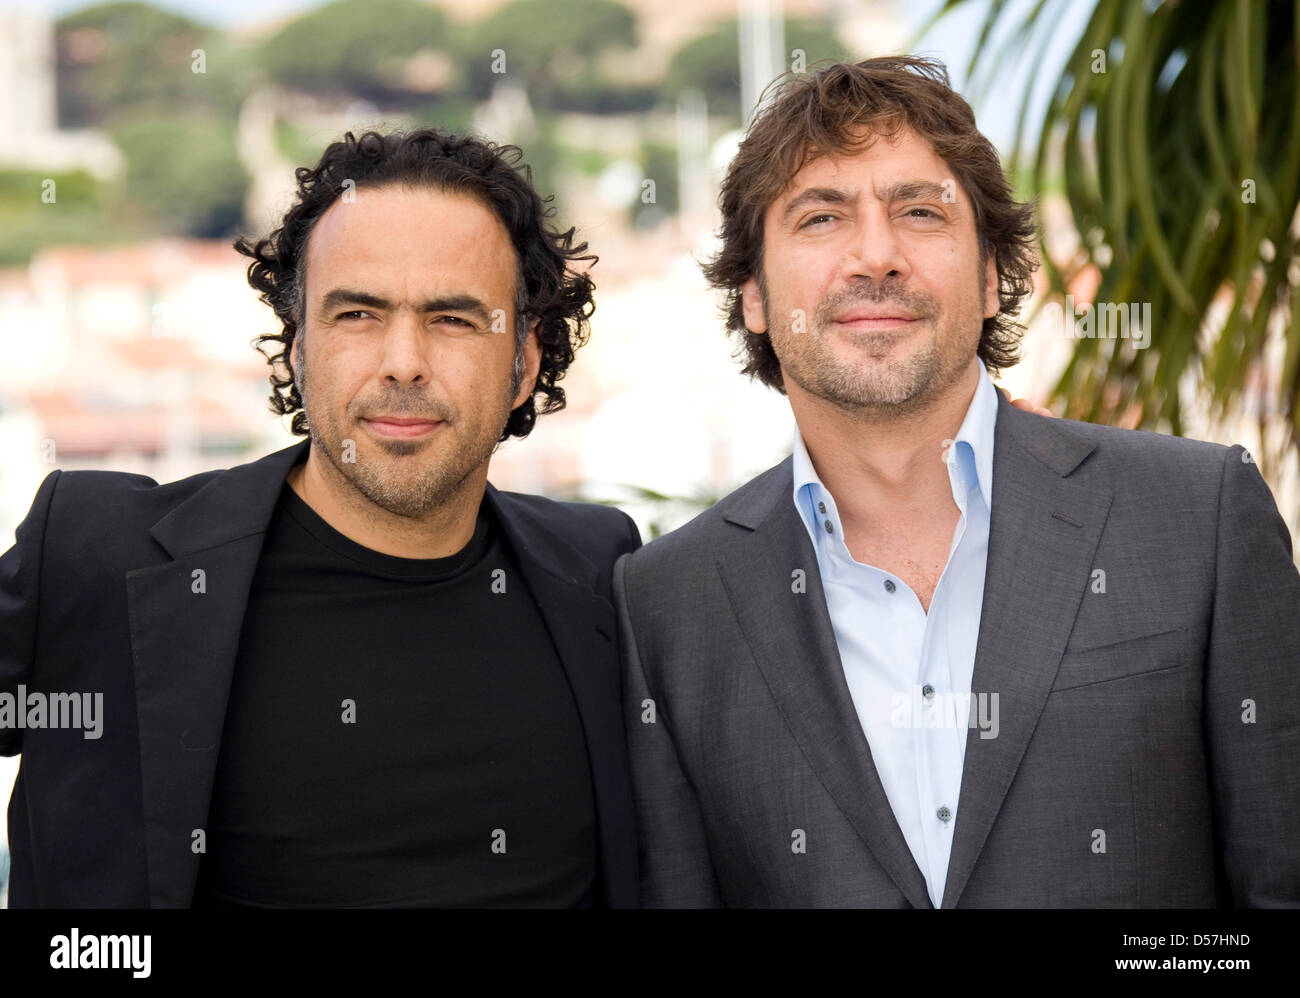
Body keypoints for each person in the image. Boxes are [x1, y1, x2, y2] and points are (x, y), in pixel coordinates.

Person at [614, 56, 1300, 907]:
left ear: (988, 276)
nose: (877, 256)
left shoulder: (1198, 518)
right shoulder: (668, 603)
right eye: (821, 216)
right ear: (752, 293)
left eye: (920, 211)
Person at [0, 129, 640, 908]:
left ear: (525, 365)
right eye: (358, 315)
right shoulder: (98, 557)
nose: (402, 361)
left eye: (454, 319)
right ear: (298, 350)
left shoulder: (602, 574)